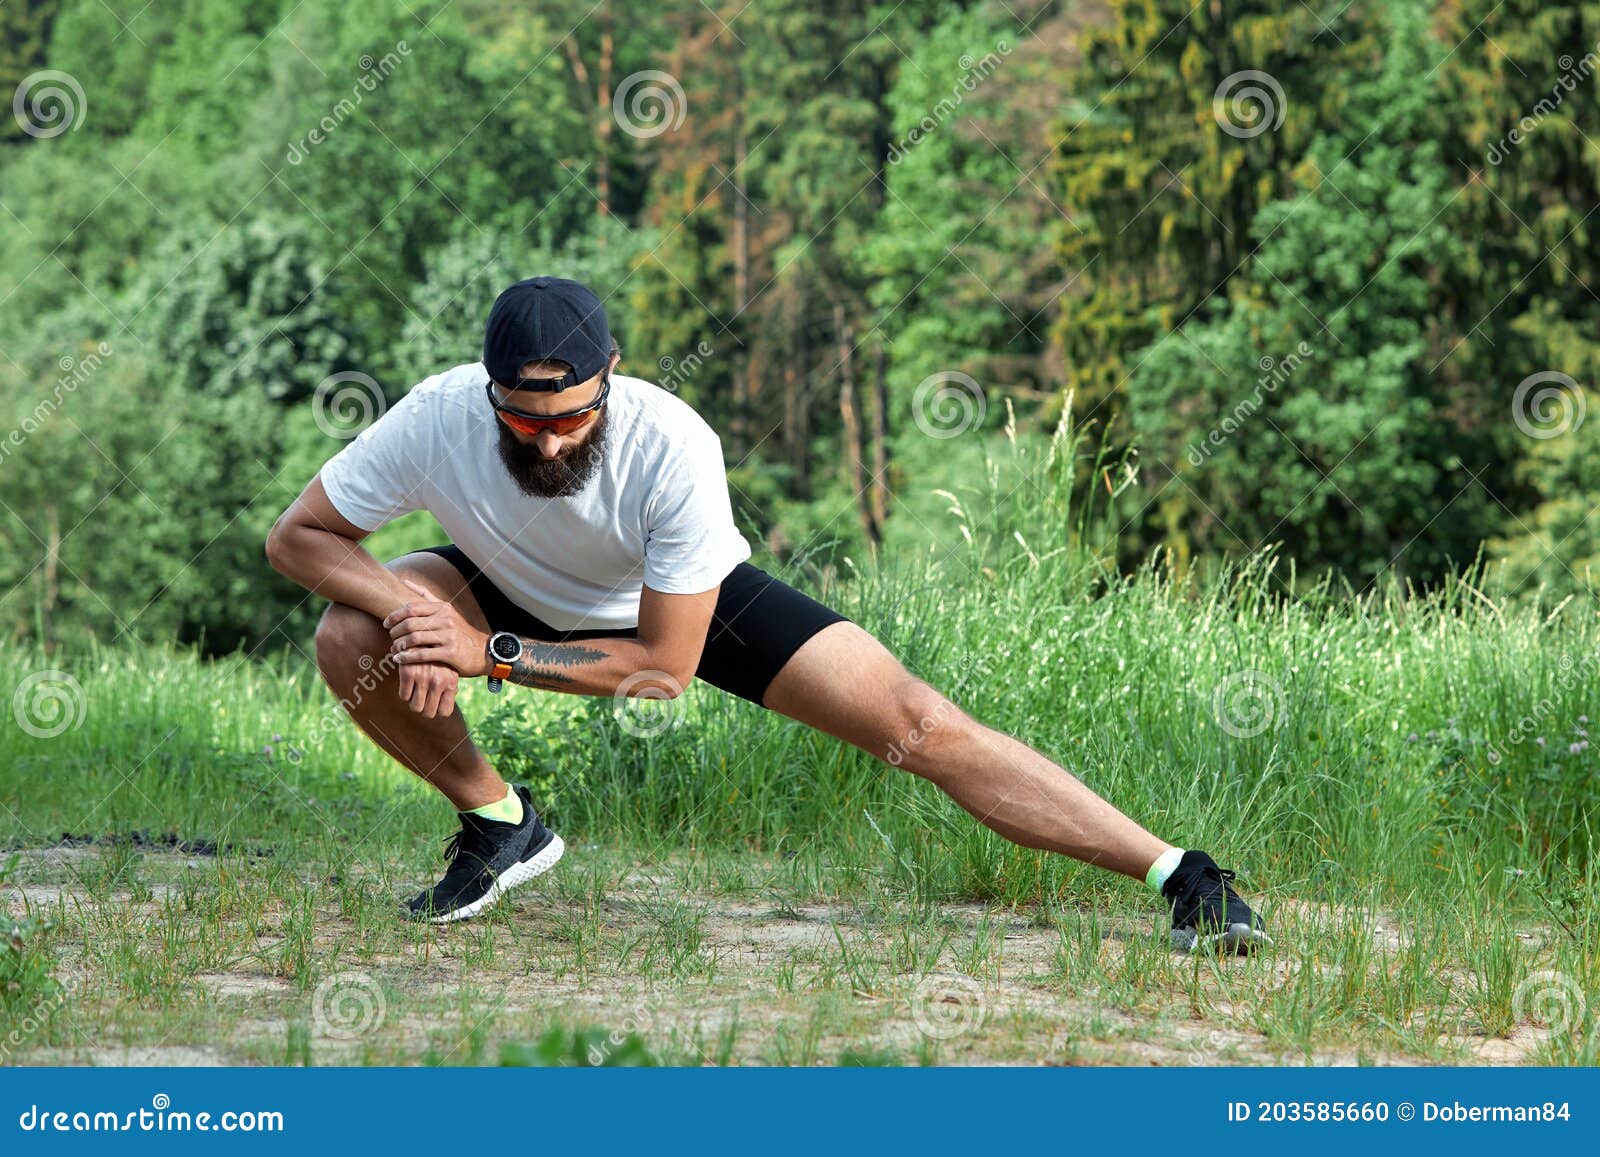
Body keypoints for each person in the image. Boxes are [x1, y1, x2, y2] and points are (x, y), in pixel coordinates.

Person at [266, 276, 1269, 951]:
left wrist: (483, 652)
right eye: (522, 419)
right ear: (487, 395)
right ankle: (500, 824)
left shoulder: (674, 445)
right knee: (350, 630)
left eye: (572, 414)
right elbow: (298, 537)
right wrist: (417, 618)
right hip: (497, 578)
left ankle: (1182, 874)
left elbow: (660, 668)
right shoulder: (438, 416)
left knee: (916, 723)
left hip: (675, 607)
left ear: (610, 375)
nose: (549, 439)